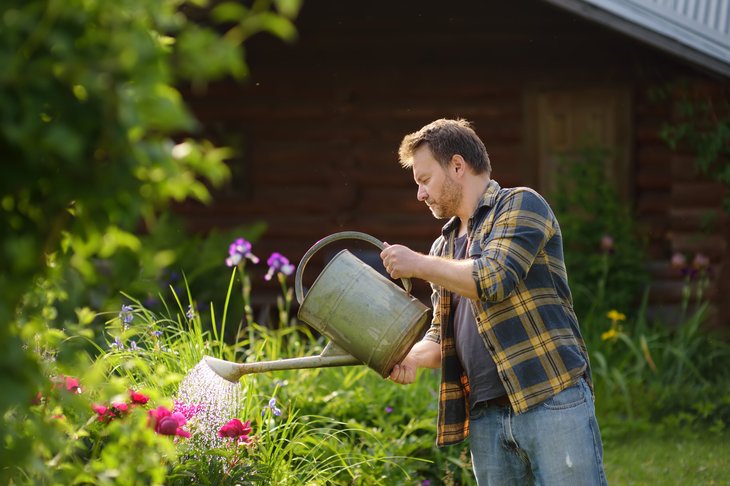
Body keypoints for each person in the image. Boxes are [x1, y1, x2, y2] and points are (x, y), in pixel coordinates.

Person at [380, 118, 607, 485]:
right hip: (485, 413)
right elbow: (441, 334)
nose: (420, 194)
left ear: (457, 165)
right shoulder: (445, 246)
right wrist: (410, 358)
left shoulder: (520, 204)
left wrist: (418, 264)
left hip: (549, 396)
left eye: (424, 180)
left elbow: (494, 277)